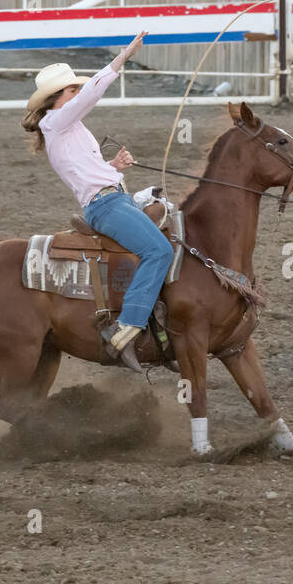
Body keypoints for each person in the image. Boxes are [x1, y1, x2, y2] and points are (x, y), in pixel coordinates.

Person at [21, 32, 173, 365]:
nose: (78, 94)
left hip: (113, 200)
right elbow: (92, 93)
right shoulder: (56, 121)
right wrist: (124, 56)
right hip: (107, 206)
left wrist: (113, 166)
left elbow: (85, 171)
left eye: (76, 89)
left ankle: (159, 328)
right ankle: (127, 326)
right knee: (158, 250)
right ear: (58, 97)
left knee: (167, 230)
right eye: (72, 90)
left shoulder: (66, 127)